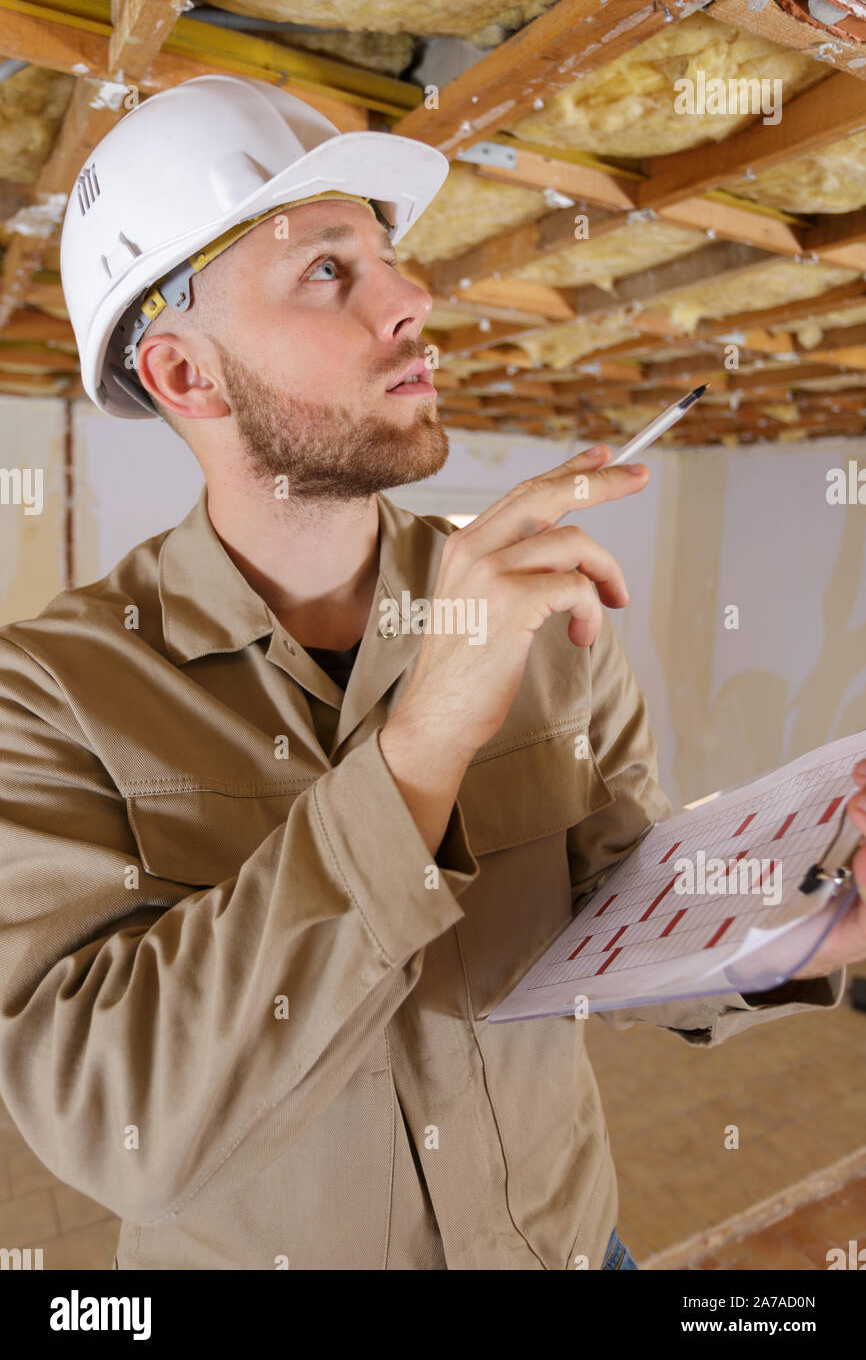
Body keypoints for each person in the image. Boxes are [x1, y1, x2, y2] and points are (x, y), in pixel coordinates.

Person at [0, 75, 862, 1272]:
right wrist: (425, 739)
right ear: (185, 377)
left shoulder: (531, 604)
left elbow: (612, 918)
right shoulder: (47, 695)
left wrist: (793, 917)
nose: (413, 300)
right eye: (326, 268)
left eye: (389, 259)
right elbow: (111, 1113)